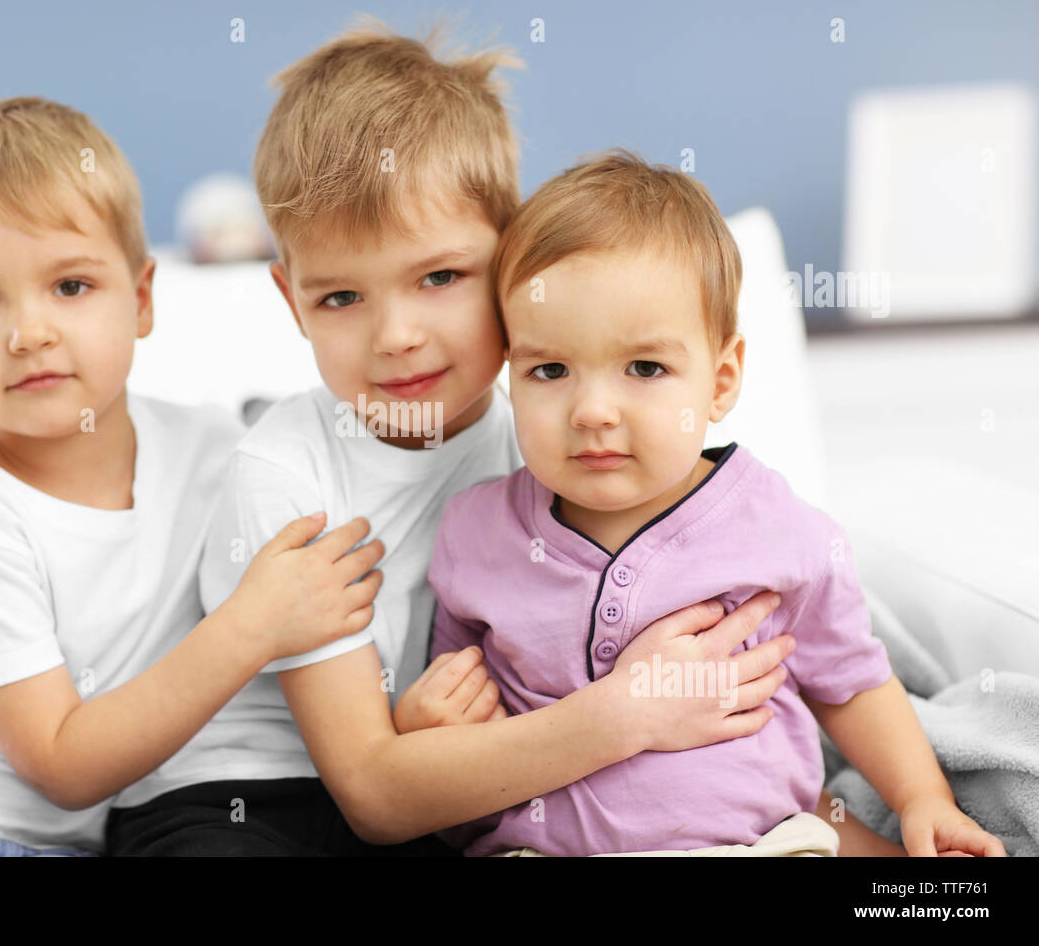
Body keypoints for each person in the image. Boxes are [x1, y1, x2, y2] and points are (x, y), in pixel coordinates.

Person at [105, 21, 796, 857]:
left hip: (451, 784)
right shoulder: (282, 476)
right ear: (291, 302)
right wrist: (628, 712)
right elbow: (373, 794)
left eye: (439, 277)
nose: (396, 335)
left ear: (515, 265)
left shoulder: (558, 443)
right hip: (248, 800)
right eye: (340, 299)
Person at [0, 96, 380, 856]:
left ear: (141, 298)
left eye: (71, 287)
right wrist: (249, 627)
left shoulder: (219, 452)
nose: (29, 333)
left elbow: (331, 456)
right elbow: (62, 762)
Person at [404, 150, 1007, 857]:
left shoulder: (777, 529)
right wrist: (425, 725)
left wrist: (922, 798)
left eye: (645, 368)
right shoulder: (476, 533)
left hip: (761, 844)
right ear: (511, 374)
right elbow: (456, 718)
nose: (593, 410)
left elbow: (851, 681)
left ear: (720, 382)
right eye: (550, 369)